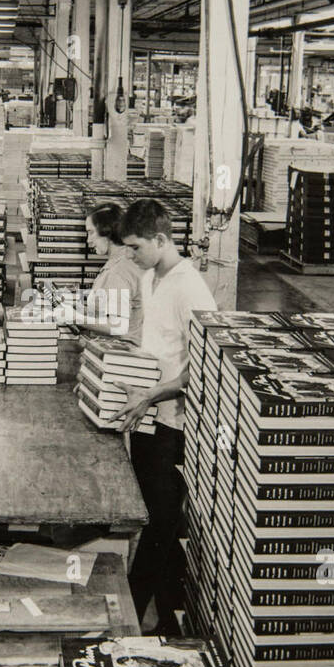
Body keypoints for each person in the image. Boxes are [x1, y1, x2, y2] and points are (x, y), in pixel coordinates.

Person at [111, 198, 217, 634]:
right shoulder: (152, 276)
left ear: (160, 239)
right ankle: (169, 619)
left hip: (175, 423)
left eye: (135, 247)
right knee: (159, 522)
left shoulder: (190, 288)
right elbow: (157, 346)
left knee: (158, 524)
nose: (129, 256)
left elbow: (205, 362)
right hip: (151, 415)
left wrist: (151, 393)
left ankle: (128, 622)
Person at [74, 202, 143, 344]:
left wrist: (73, 317)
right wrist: (80, 309)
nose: (88, 241)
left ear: (107, 231)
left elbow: (117, 326)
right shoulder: (126, 259)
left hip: (122, 353)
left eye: (91, 232)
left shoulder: (118, 271)